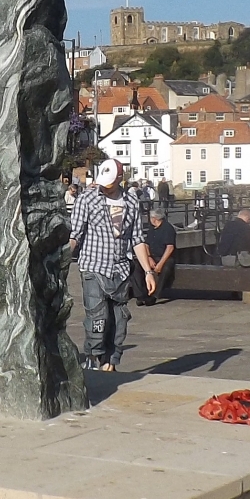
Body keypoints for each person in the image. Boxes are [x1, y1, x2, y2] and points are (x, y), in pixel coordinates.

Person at [69, 159, 152, 373]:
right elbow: (75, 234)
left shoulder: (131, 203)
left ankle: (110, 361)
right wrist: (63, 254)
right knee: (98, 317)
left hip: (121, 269)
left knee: (119, 319)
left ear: (119, 178)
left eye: (109, 184)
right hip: (93, 266)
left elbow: (137, 239)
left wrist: (149, 271)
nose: (104, 188)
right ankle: (93, 356)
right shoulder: (87, 199)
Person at [140, 207, 178, 304]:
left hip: (164, 257)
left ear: (154, 218)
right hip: (152, 256)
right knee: (136, 266)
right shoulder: (151, 229)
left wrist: (160, 264)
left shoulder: (168, 228)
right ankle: (140, 294)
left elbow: (170, 248)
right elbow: (146, 244)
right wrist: (149, 258)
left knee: (167, 268)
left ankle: (155, 295)